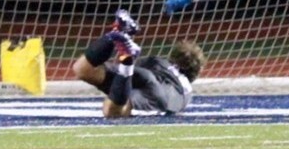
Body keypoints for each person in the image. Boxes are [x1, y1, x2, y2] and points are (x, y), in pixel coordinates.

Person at [71, 9, 205, 118]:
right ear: (194, 73)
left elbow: (128, 74)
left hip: (147, 74)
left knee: (82, 69)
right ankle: (127, 64)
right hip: (160, 95)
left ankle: (113, 35)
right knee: (112, 112)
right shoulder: (186, 92)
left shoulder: (159, 61)